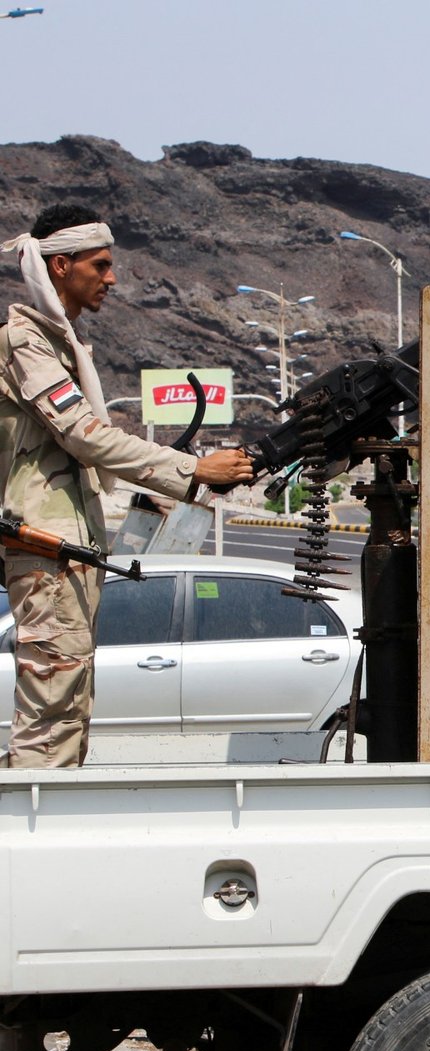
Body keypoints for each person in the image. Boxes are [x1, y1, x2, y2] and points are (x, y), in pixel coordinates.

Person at [0, 204, 254, 767]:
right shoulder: (26, 343)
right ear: (61, 266)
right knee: (50, 709)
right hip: (44, 547)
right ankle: (27, 837)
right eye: (101, 265)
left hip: (67, 546)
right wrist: (192, 472)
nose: (111, 279)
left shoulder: (62, 343)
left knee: (68, 705)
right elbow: (84, 435)